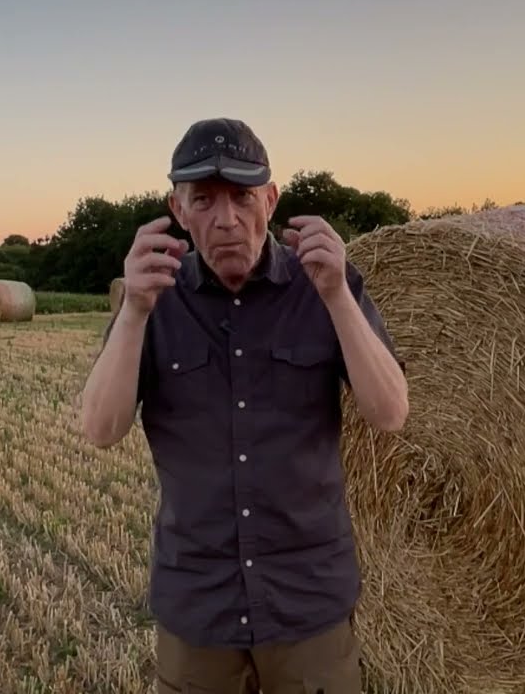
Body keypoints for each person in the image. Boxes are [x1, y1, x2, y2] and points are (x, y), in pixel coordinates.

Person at [79, 117, 409, 693]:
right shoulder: (153, 299)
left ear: (272, 200)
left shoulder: (326, 286)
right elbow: (101, 429)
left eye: (243, 197)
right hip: (198, 610)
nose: (226, 219)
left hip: (307, 608)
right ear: (177, 210)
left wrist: (336, 296)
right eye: (203, 200)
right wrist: (131, 312)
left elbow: (390, 413)